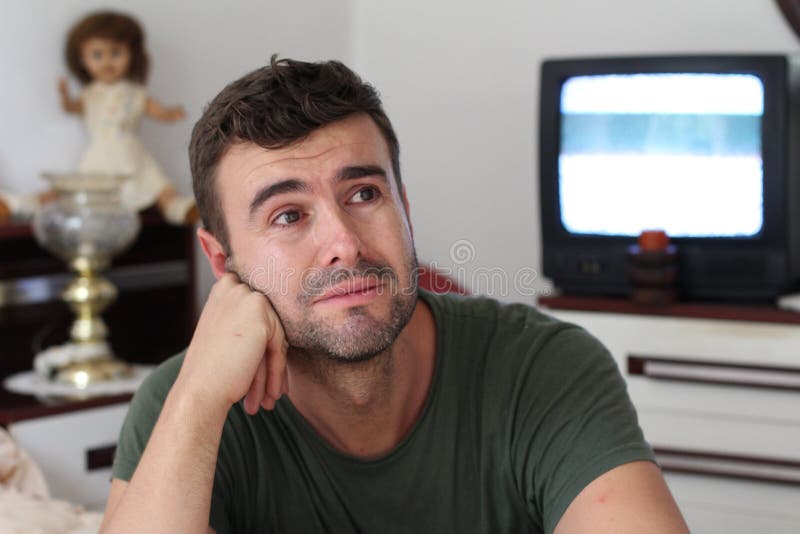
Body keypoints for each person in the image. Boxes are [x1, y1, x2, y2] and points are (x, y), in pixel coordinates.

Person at [100, 56, 689, 533]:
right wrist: (197, 401)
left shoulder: (546, 366)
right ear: (222, 262)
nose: (344, 244)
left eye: (363, 195)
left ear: (404, 208)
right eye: (288, 216)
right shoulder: (182, 405)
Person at [57, 10, 198, 225]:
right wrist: (64, 96)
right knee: (90, 189)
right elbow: (72, 108)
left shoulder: (135, 93)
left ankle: (175, 207)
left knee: (158, 184)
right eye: (97, 55)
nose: (107, 62)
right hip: (101, 154)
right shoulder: (90, 95)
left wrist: (170, 114)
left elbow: (157, 111)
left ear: (132, 55)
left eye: (116, 53)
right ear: (83, 60)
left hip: (131, 152)